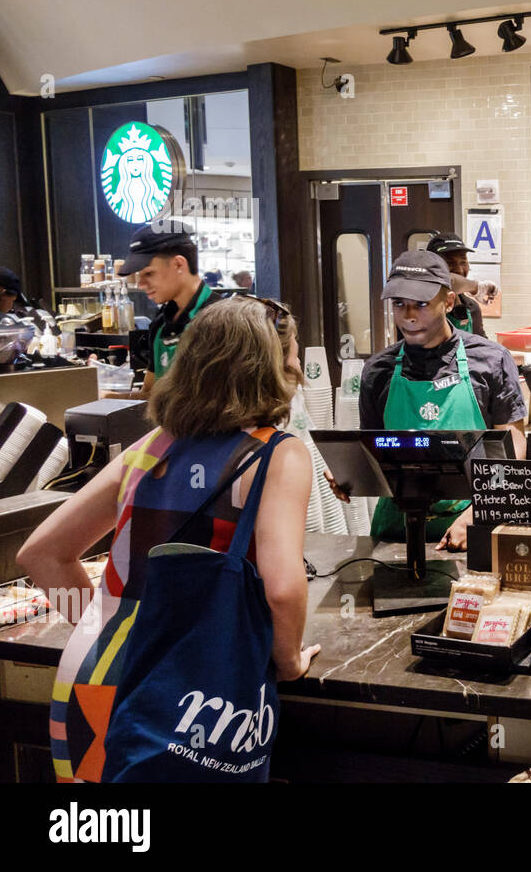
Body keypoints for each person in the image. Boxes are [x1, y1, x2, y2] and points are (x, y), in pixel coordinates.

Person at [17, 297, 318, 782]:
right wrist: (288, 662)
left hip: (90, 683)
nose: (299, 363)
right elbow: (283, 588)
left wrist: (105, 626)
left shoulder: (151, 446)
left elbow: (42, 553)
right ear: (273, 366)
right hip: (187, 701)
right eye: (294, 351)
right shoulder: (275, 455)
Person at [356, 250, 526, 548]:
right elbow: (373, 448)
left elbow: (514, 446)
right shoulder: (377, 371)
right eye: (399, 304)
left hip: (468, 519)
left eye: (421, 304)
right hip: (396, 526)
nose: (409, 316)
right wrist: (349, 468)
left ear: (448, 302)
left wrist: (479, 512)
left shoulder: (490, 360)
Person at [117, 221, 217, 397]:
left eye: (149, 274)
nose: (141, 285)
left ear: (179, 264)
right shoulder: (161, 323)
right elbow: (150, 394)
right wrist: (105, 397)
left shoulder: (220, 320)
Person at [426, 234, 492, 337]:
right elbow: (450, 281)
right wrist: (476, 287)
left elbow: (483, 345)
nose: (460, 270)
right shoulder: (422, 305)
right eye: (449, 263)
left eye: (463, 262)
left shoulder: (471, 307)